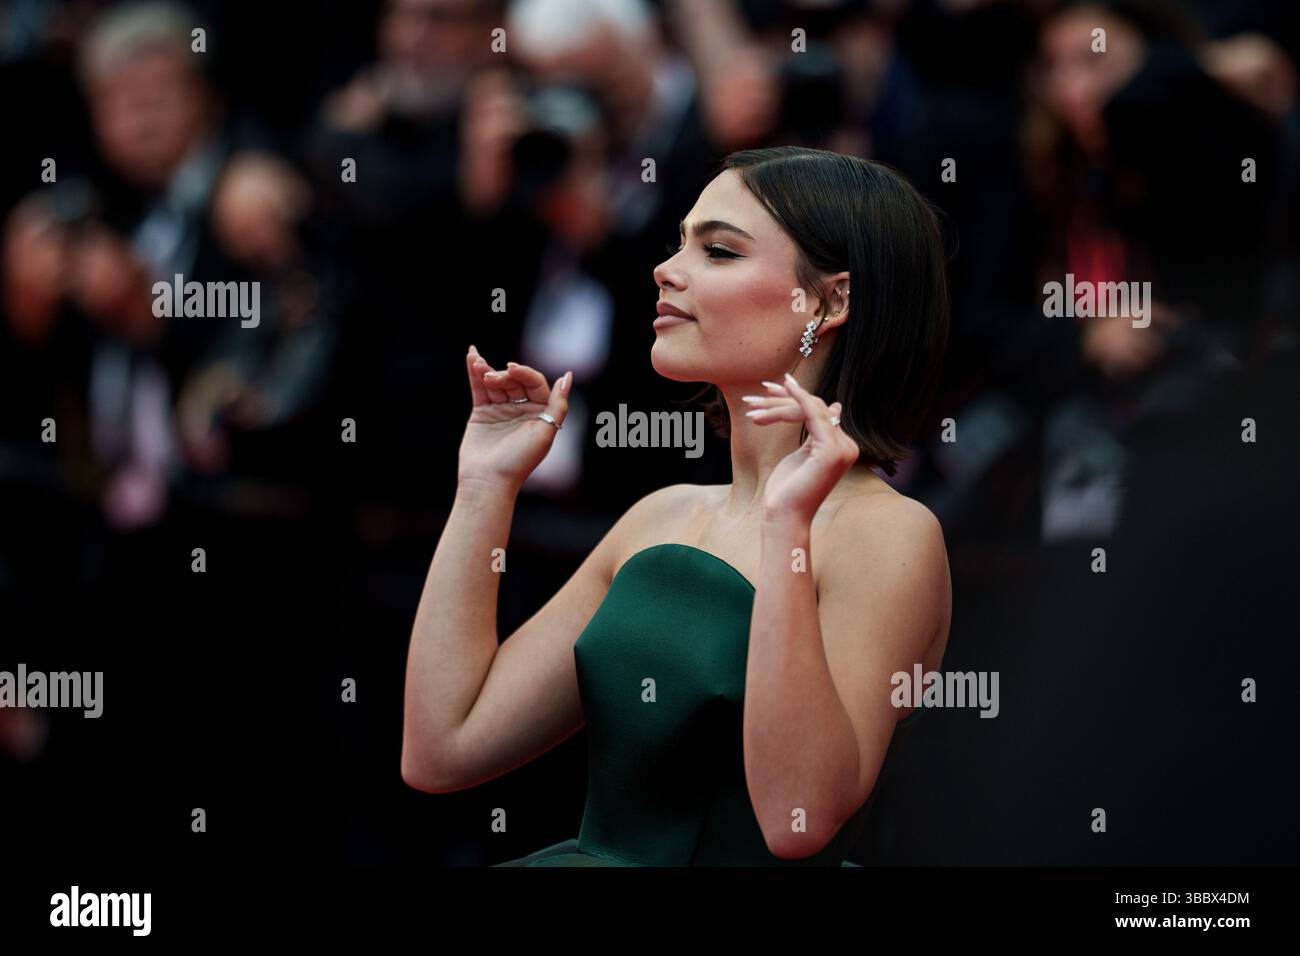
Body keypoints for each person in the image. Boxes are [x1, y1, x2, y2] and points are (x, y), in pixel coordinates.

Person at [401, 146, 953, 866]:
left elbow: (798, 821)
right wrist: (484, 487)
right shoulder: (658, 516)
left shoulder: (891, 535)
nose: (666, 269)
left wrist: (786, 526)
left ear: (825, 303)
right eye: (679, 242)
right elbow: (442, 750)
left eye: (718, 251)